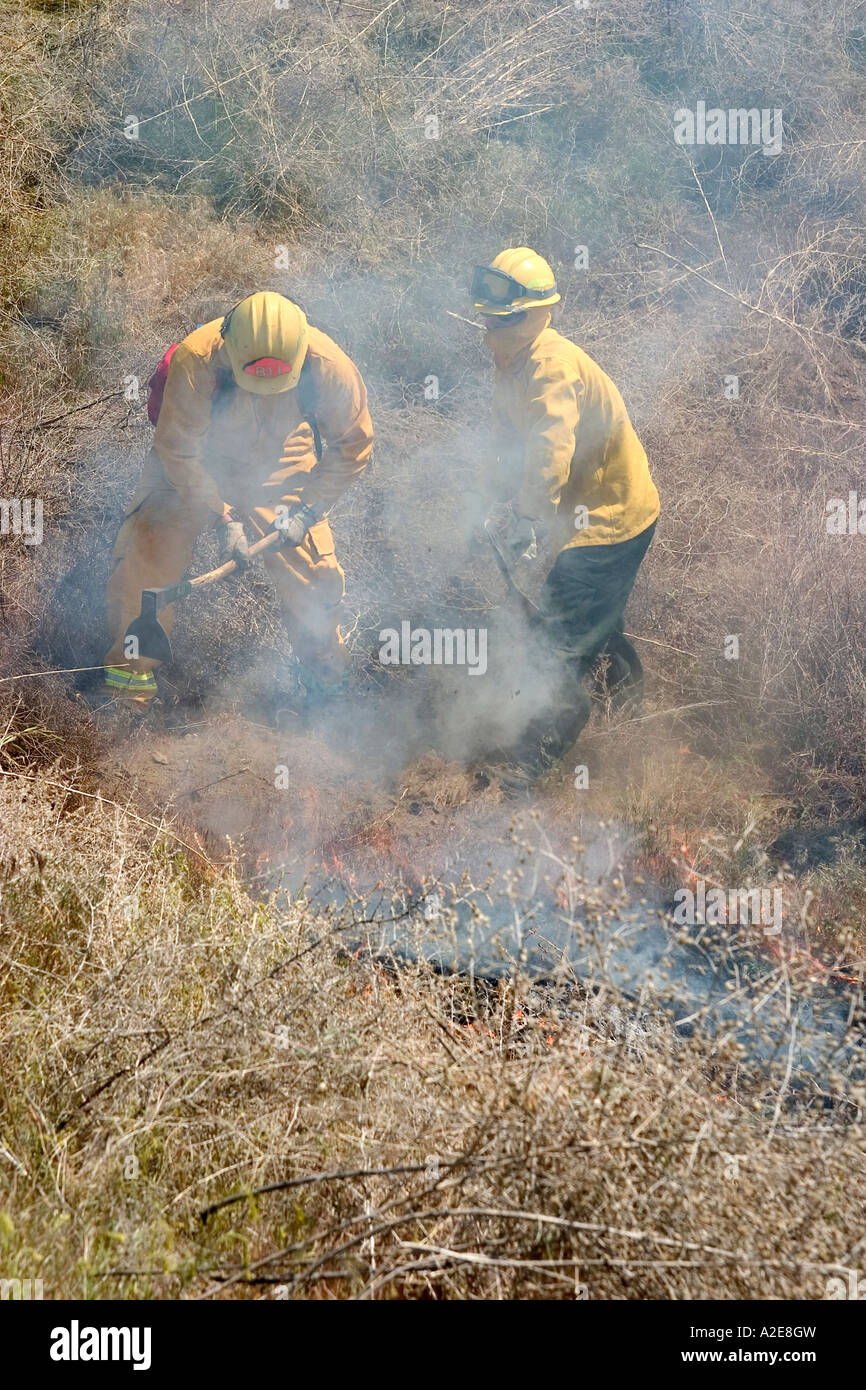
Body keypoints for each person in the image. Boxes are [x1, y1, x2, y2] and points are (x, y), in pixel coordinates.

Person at [97, 291, 373, 712]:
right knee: (147, 555)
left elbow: (352, 447)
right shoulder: (198, 358)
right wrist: (223, 515)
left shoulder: (328, 365)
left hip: (280, 461)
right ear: (230, 350)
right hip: (194, 461)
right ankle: (127, 687)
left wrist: (307, 510)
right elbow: (179, 451)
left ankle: (327, 689)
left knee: (314, 573)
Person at [470, 247, 660, 779]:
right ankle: (632, 722)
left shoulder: (550, 366)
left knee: (555, 640)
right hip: (586, 514)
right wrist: (483, 507)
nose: (488, 324)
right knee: (598, 623)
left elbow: (548, 448)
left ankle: (528, 769)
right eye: (486, 314)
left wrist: (529, 519)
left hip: (611, 520)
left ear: (530, 314)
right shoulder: (512, 361)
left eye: (499, 316)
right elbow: (506, 443)